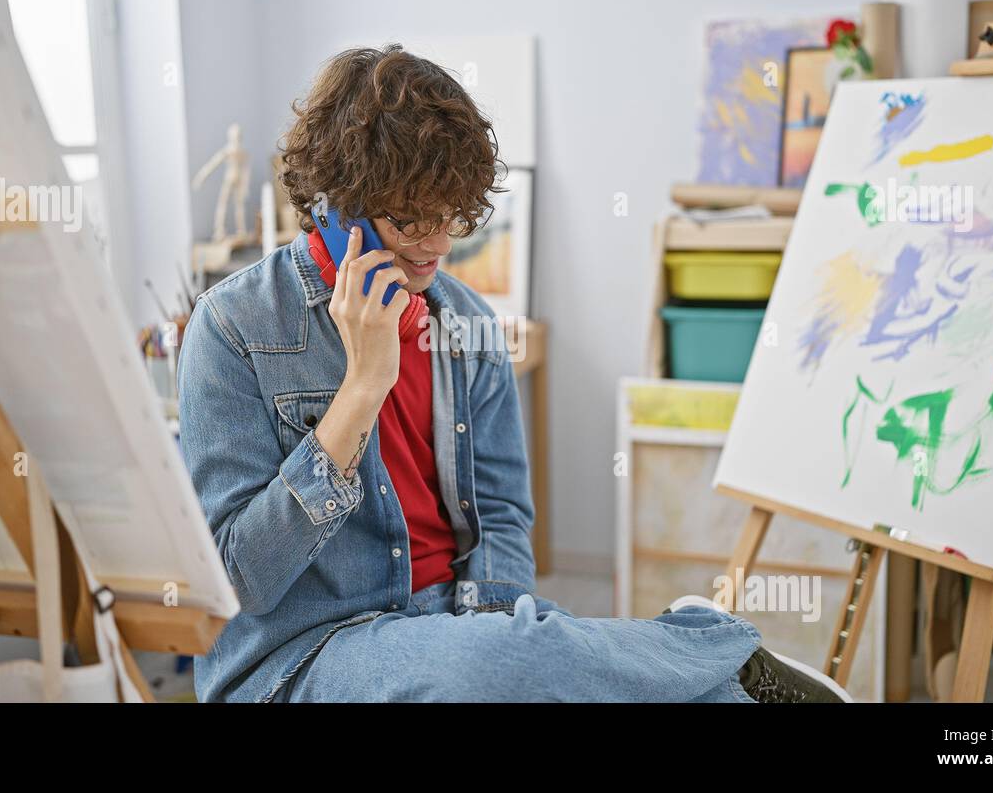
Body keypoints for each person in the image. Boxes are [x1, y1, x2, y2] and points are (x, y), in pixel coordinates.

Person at [177, 45, 846, 703]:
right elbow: (241, 577)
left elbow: (500, 516)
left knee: (564, 667)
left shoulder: (466, 324)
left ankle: (727, 677)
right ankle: (709, 640)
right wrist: (363, 387)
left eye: (452, 217)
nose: (437, 244)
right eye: (411, 219)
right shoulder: (232, 329)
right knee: (520, 656)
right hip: (308, 651)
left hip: (457, 624)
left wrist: (493, 627)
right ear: (337, 209)